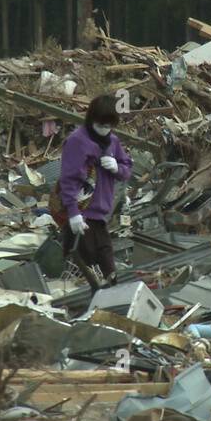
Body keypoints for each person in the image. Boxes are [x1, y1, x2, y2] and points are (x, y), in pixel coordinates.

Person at [57, 95, 133, 286]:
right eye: (100, 126)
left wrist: (116, 167)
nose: (104, 131)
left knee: (108, 271)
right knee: (84, 272)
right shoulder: (77, 141)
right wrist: (73, 213)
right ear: (91, 120)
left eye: (108, 127)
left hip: (100, 215)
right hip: (82, 213)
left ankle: (107, 306)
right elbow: (69, 179)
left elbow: (126, 171)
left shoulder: (112, 141)